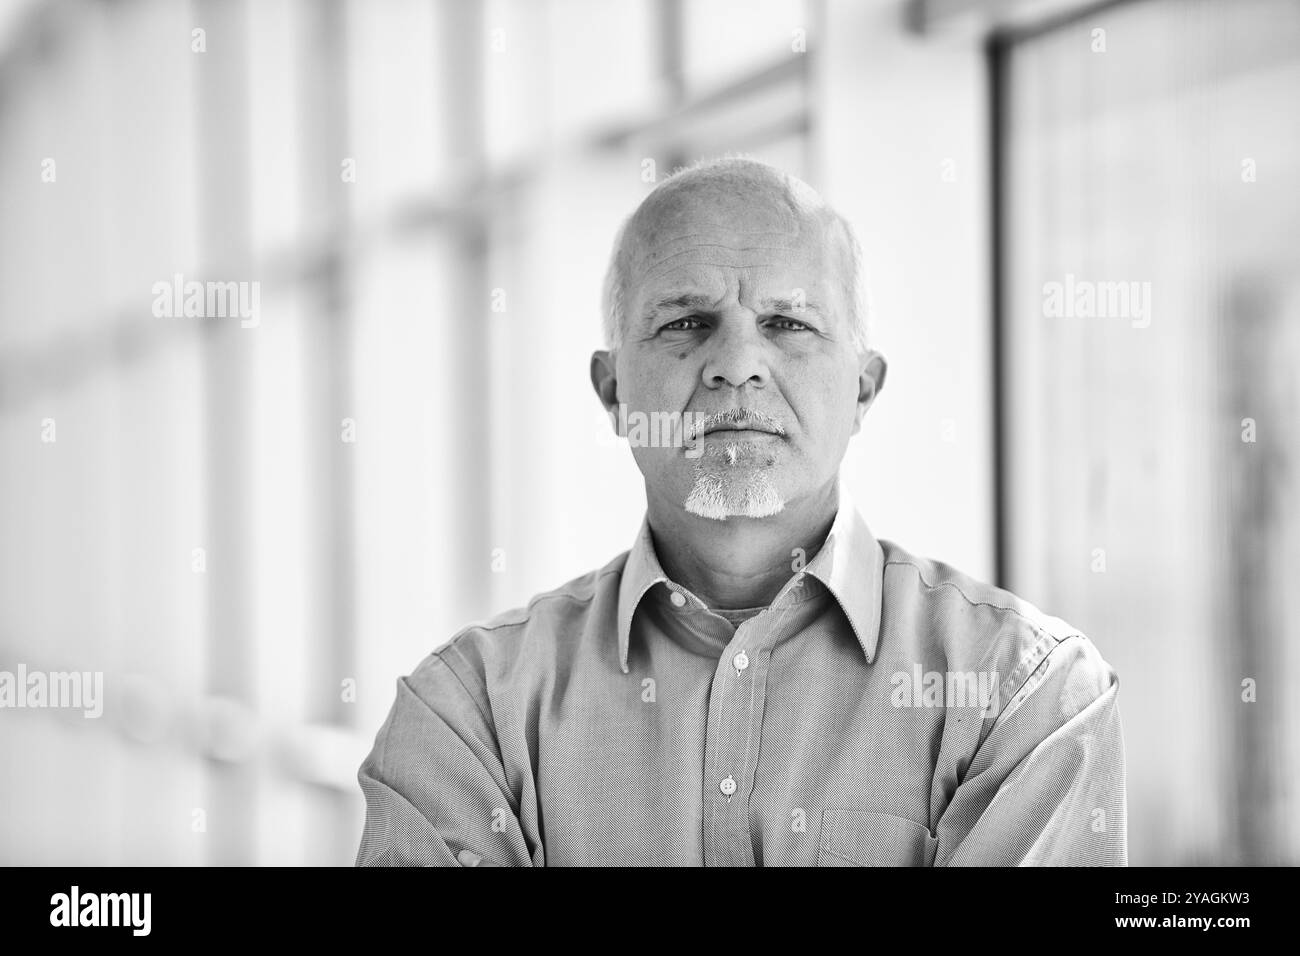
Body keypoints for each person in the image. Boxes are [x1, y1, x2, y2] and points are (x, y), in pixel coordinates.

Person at [355, 157, 1127, 866]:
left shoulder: (1021, 696)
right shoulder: (468, 718)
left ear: (863, 388)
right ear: (613, 391)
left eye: (788, 324)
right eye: (686, 324)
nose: (736, 365)